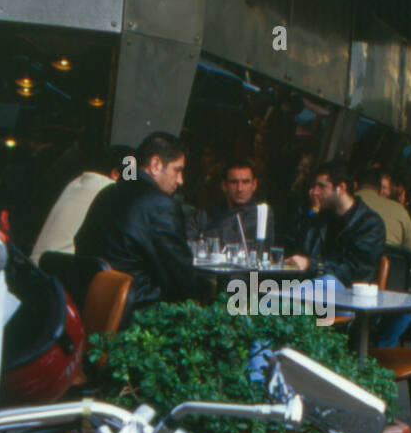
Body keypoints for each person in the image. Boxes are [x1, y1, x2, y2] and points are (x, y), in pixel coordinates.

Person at [74, 132, 199, 315]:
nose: (181, 180)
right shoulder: (162, 205)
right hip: (139, 316)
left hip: (93, 309)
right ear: (156, 165)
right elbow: (180, 280)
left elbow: (81, 243)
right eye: (177, 170)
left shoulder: (106, 194)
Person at [288, 161, 384, 286]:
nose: (315, 192)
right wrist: (312, 213)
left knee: (325, 282)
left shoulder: (370, 224)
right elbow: (303, 250)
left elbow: (356, 271)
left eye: (321, 186)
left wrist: (312, 265)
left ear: (341, 188)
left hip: (347, 290)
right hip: (315, 283)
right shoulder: (323, 217)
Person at [31, 145, 131, 262]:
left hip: (39, 265)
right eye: (133, 175)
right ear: (116, 174)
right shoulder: (109, 189)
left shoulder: (79, 181)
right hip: (59, 270)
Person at [186, 159, 275, 248]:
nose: (240, 188)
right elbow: (187, 241)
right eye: (234, 182)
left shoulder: (261, 214)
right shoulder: (206, 214)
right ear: (224, 185)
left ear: (254, 185)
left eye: (245, 182)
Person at [355, 166, 411, 252]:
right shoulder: (401, 211)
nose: (383, 192)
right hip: (391, 262)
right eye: (383, 187)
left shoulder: (346, 202)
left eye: (386, 188)